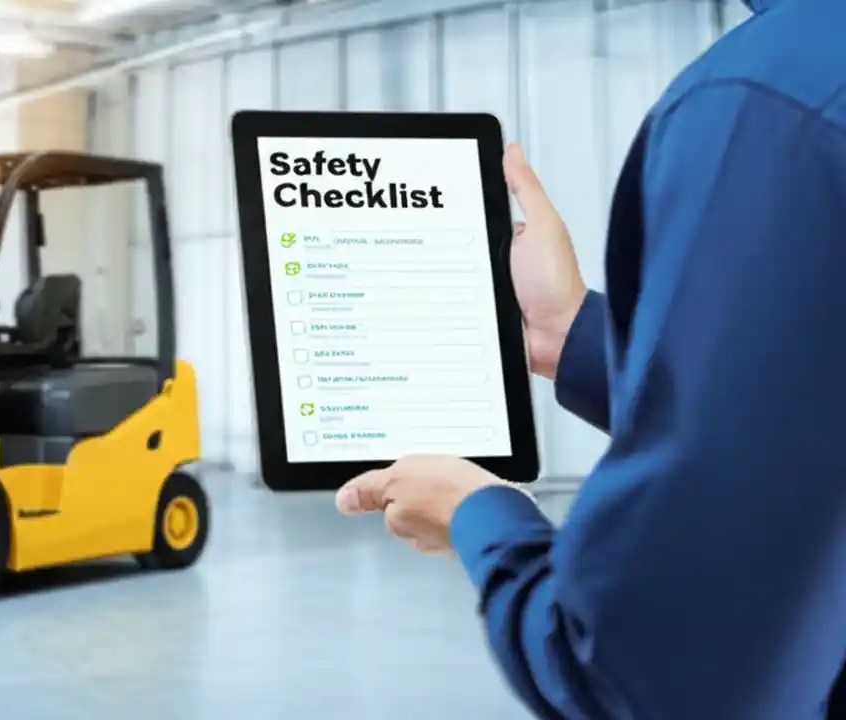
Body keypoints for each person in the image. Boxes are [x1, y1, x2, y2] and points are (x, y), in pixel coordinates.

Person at [334, 0, 846, 717]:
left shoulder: (764, 103)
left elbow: (646, 673)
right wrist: (567, 331)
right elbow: (808, 398)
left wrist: (480, 515)